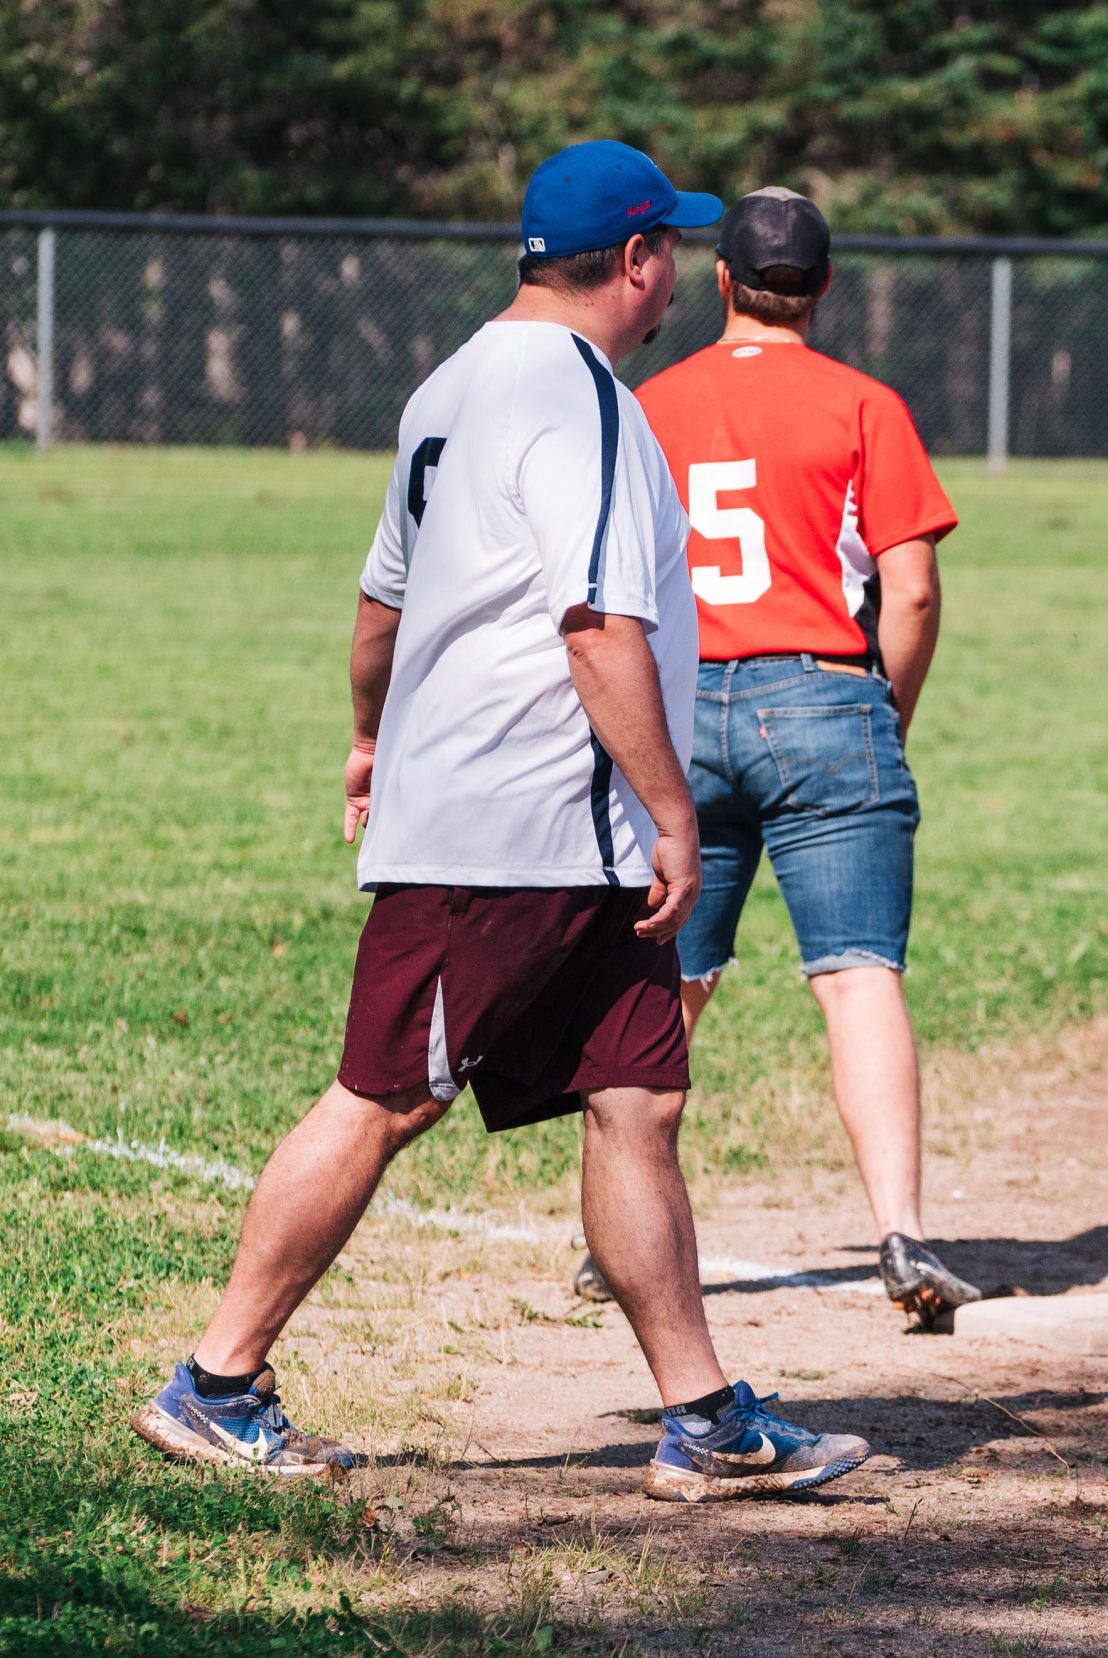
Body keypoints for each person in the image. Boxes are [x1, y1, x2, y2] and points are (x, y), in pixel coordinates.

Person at [132, 141, 869, 1503]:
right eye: (669, 254)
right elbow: (596, 625)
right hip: (515, 823)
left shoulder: (447, 385)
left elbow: (380, 606)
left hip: (552, 831)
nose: (671, 283)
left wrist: (367, 733)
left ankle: (702, 1412)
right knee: (385, 1096)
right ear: (642, 260)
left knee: (637, 1098)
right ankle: (216, 1381)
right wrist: (671, 809)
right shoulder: (579, 396)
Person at [593, 186, 978, 1326]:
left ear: (719, 281)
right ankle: (902, 1232)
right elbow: (906, 584)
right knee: (857, 972)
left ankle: (614, 1225)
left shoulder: (649, 403)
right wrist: (880, 708)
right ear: (823, 286)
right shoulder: (864, 402)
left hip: (676, 703)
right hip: (821, 690)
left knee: (672, 971)